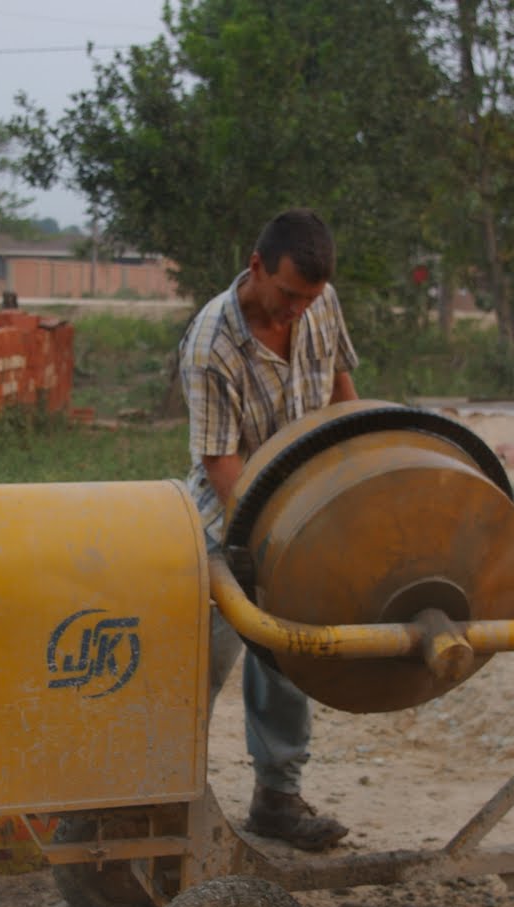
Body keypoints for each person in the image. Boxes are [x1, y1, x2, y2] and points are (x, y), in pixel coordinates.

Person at [179, 207, 359, 851]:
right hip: (229, 518)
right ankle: (167, 799)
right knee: (200, 661)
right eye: (287, 296)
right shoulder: (211, 346)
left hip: (307, 506)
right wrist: (273, 543)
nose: (297, 312)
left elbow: (342, 388)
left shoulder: (320, 304)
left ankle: (277, 800)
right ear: (256, 268)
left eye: (308, 300)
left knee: (288, 651)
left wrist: (359, 476)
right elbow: (223, 466)